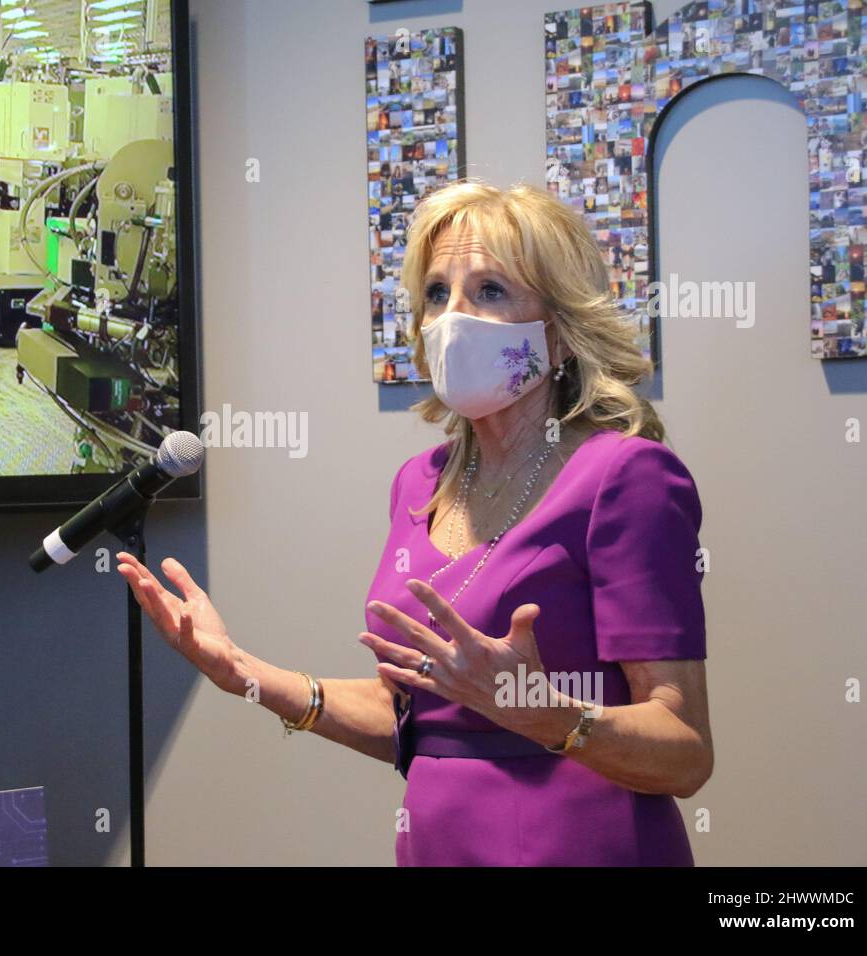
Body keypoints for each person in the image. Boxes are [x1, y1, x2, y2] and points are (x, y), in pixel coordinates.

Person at [116, 179, 714, 866]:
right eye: (437, 293)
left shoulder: (624, 476)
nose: (451, 317)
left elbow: (686, 753)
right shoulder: (418, 486)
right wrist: (242, 671)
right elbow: (417, 719)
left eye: (489, 290)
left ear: (558, 328)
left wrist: (540, 712)